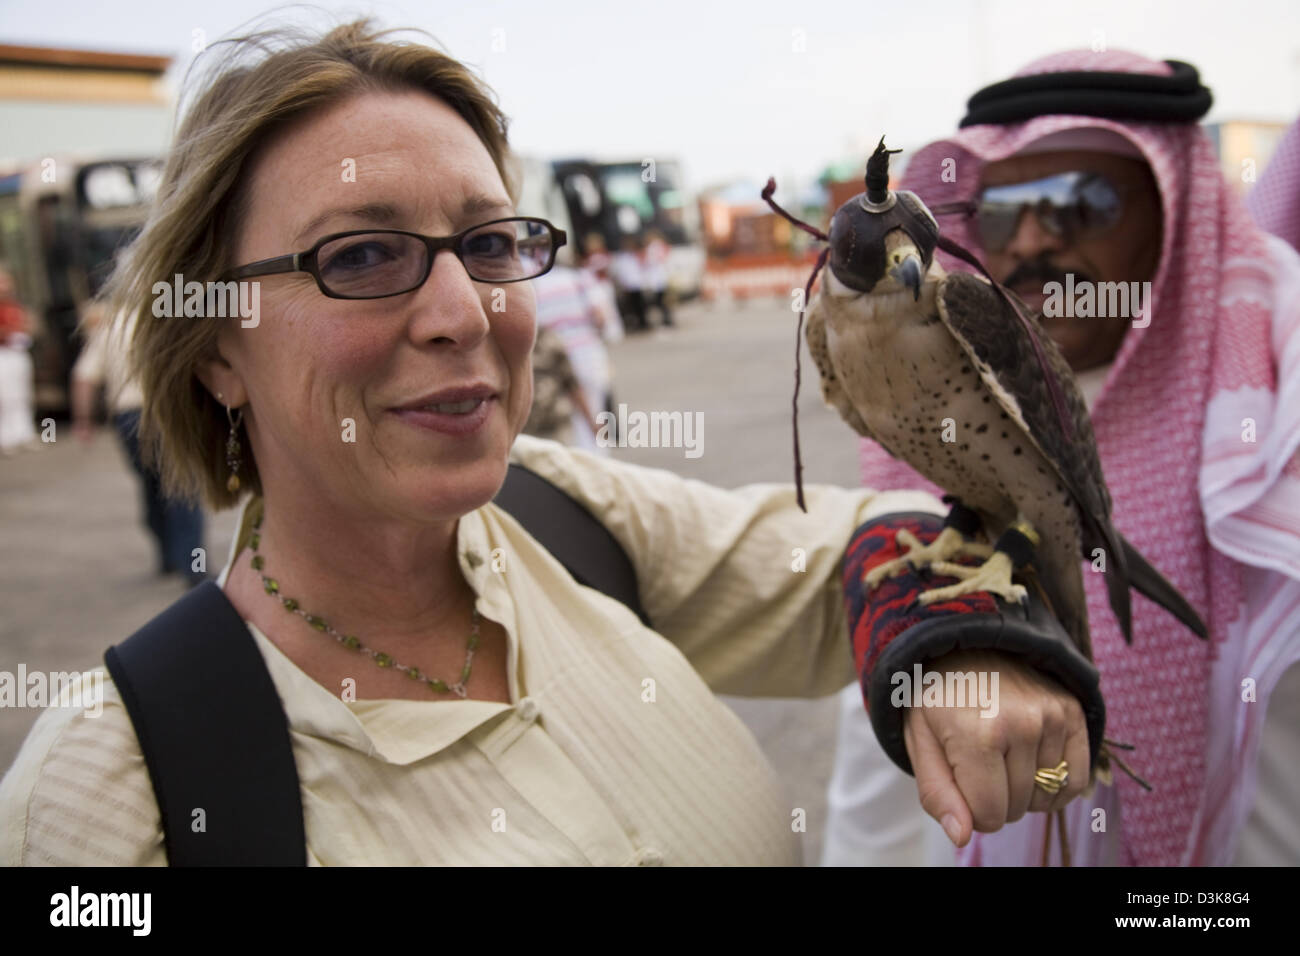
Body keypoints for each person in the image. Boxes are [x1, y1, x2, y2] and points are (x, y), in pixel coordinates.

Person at [0, 20, 1096, 866]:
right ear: (212, 349)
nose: (463, 310)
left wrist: (963, 635)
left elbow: (861, 543)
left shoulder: (567, 520)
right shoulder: (119, 783)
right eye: (365, 253)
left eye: (489, 241)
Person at [823, 49, 1300, 867]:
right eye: (1005, 211)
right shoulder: (929, 365)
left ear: (1177, 210)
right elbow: (874, 772)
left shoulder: (1276, 405)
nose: (1037, 237)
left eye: (1083, 202)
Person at [72, 301, 207, 586]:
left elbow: (84, 377)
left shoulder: (108, 328)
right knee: (183, 488)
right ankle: (193, 567)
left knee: (151, 486)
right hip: (165, 413)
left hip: (128, 419)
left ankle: (167, 555)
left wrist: (83, 421)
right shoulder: (167, 318)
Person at [0, 264, 37, 454]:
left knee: (22, 395)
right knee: (6, 397)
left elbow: (28, 323)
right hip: (3, 355)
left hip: (18, 352)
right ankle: (6, 439)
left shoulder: (15, 305)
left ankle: (24, 434)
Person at [642, 230, 673, 327]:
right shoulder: (660, 246)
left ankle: (666, 319)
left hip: (657, 278)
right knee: (664, 301)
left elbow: (650, 261)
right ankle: (667, 319)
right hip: (661, 277)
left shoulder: (652, 247)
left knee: (660, 301)